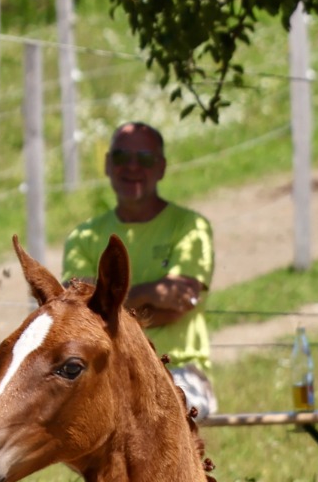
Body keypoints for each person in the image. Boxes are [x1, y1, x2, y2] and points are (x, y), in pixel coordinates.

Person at [62, 121, 217, 416]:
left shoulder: (190, 227)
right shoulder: (83, 237)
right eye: (122, 157)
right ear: (108, 164)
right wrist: (150, 293)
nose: (132, 167)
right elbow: (78, 312)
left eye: (144, 159)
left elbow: (177, 305)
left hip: (179, 370)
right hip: (105, 367)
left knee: (148, 417)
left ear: (161, 168)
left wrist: (105, 308)